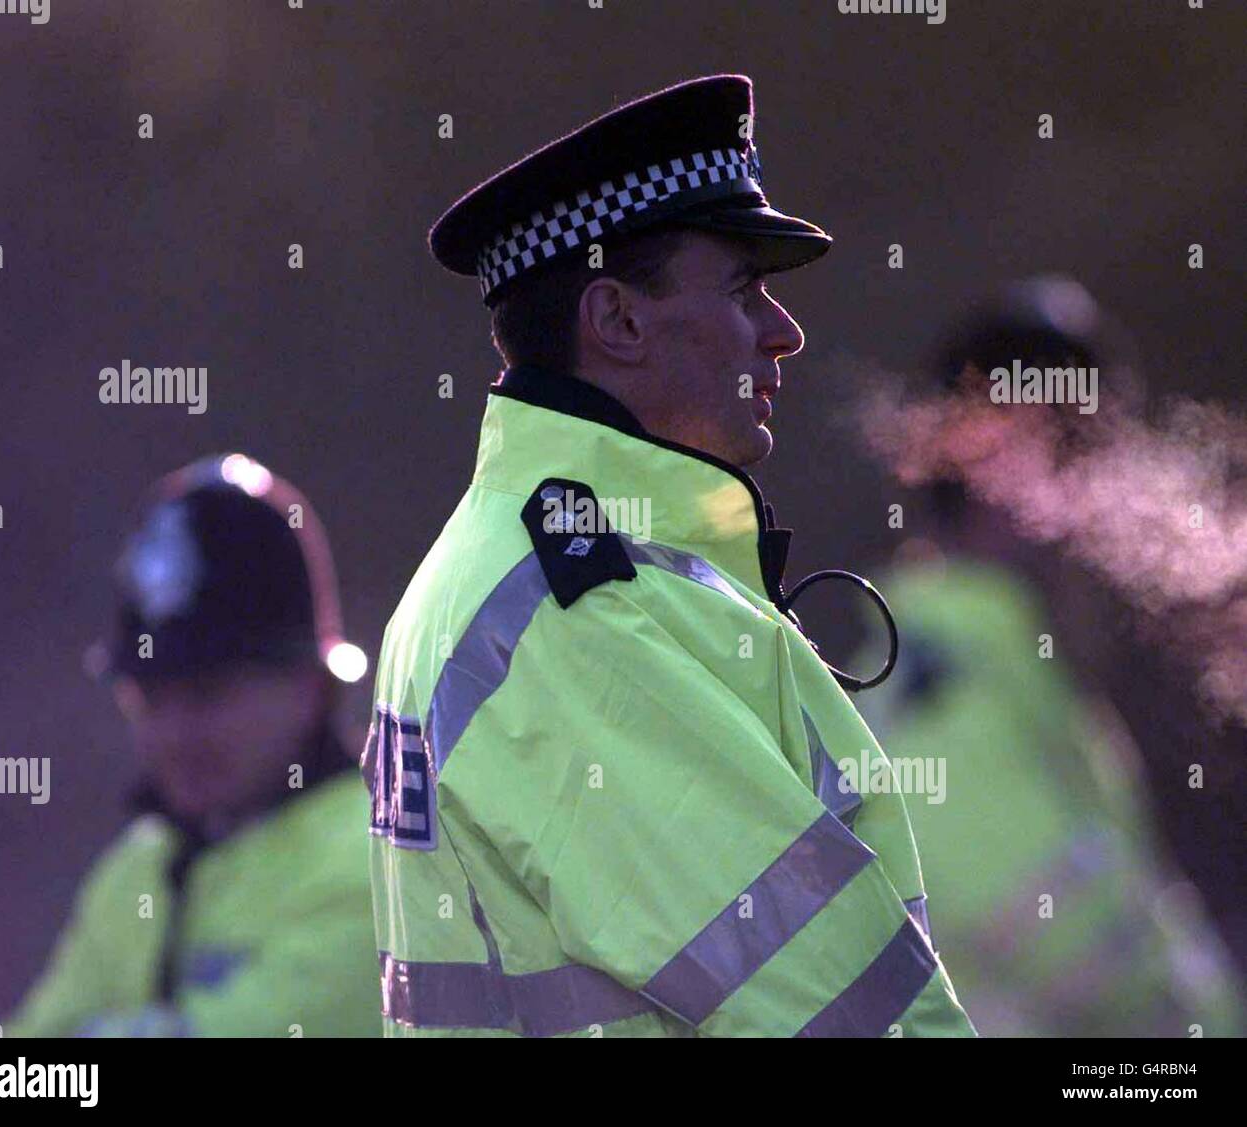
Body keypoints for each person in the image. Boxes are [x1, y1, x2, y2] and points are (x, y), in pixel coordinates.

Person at [364, 74, 975, 1037]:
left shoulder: (521, 568)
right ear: (617, 321)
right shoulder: (578, 614)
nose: (785, 331)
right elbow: (827, 1013)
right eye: (744, 289)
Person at [853, 276, 1244, 1036]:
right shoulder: (944, 689)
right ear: (986, 452)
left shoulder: (1007, 668)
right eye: (1070, 441)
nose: (1100, 487)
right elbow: (1092, 967)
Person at [5, 454, 380, 1037]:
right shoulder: (139, 868)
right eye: (151, 700)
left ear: (311, 688)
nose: (173, 734)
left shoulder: (383, 859)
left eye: (208, 694)